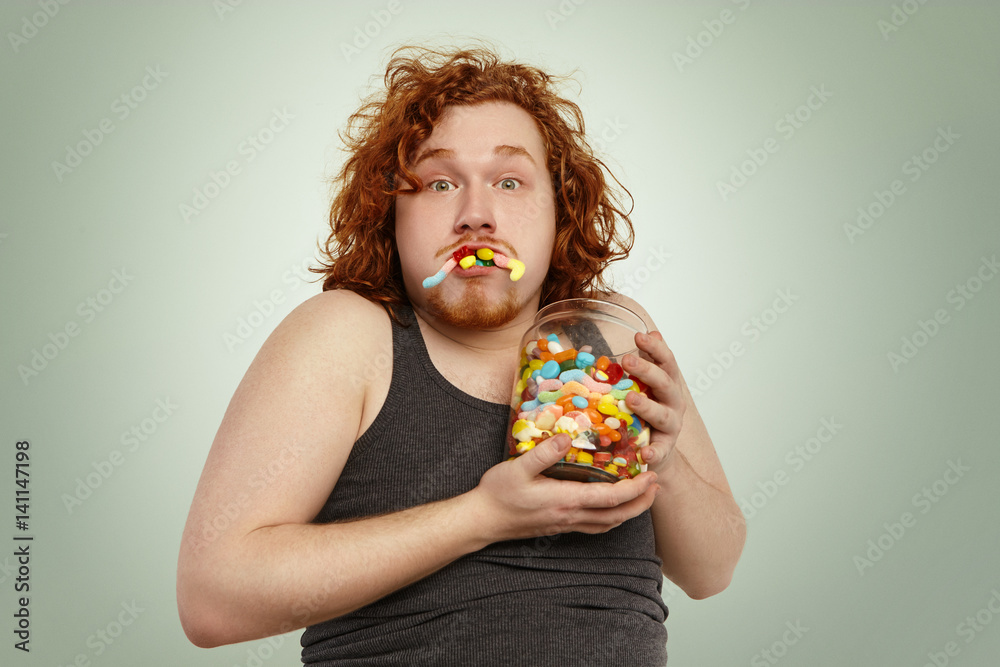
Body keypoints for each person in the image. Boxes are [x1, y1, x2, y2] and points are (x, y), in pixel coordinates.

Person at [176, 44, 745, 666]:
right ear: (390, 213)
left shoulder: (610, 332)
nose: (476, 217)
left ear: (559, 211)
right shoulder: (347, 334)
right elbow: (213, 600)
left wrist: (662, 460)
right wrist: (484, 516)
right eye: (439, 183)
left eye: (509, 181)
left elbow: (712, 570)